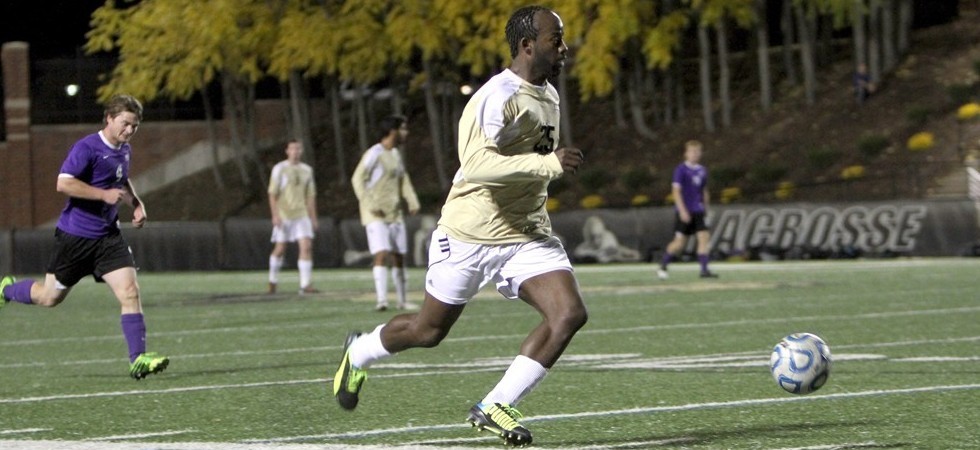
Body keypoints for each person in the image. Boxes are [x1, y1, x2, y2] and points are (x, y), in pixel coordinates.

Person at [332, 6, 585, 447]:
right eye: (555, 40)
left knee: (569, 314)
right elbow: (477, 164)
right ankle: (360, 351)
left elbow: (526, 165)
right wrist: (547, 162)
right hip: (470, 234)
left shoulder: (549, 94)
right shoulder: (495, 97)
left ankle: (494, 405)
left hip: (526, 233)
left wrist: (541, 174)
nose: (563, 48)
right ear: (528, 46)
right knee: (427, 332)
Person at [0, 94, 169, 380]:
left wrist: (136, 203)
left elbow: (120, 179)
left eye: (135, 127)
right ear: (109, 118)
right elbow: (63, 183)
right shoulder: (87, 148)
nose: (129, 131)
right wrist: (103, 195)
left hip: (108, 238)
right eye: (125, 124)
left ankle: (137, 359)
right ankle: (6, 289)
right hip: (75, 238)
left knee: (130, 292)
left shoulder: (124, 149)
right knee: (49, 297)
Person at [351, 115, 420, 311]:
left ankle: (402, 300)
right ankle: (381, 300)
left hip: (394, 212)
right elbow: (357, 179)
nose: (406, 133)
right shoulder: (374, 153)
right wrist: (370, 204)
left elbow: (403, 180)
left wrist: (412, 200)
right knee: (381, 253)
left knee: (399, 256)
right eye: (403, 129)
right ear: (393, 131)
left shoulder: (396, 154)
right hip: (376, 213)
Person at [658, 140, 718, 279]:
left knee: (703, 237)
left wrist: (706, 207)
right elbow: (676, 191)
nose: (695, 154)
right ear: (686, 153)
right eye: (692, 151)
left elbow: (704, 190)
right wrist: (682, 210)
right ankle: (663, 265)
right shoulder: (681, 170)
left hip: (698, 210)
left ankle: (704, 270)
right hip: (685, 211)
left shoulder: (702, 170)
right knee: (679, 243)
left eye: (697, 152)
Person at [267, 140, 320, 295]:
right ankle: (273, 280)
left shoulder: (307, 170)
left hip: (301, 215)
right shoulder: (280, 169)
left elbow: (310, 195)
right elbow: (272, 194)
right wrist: (275, 215)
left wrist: (313, 217)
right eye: (292, 148)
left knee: (306, 246)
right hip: (284, 215)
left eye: (298, 148)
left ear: (301, 151)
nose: (295, 151)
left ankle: (305, 285)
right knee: (280, 248)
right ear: (287, 151)